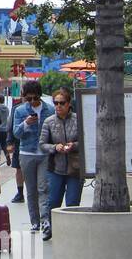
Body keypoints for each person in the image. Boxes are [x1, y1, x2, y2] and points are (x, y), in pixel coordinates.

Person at [39, 89, 82, 240]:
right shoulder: (49, 121)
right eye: (55, 103)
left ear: (69, 104)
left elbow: (86, 140)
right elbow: (42, 144)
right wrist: (54, 147)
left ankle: (71, 232)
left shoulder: (78, 119)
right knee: (53, 201)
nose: (58, 106)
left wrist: (74, 146)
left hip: (75, 168)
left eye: (62, 103)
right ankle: (50, 228)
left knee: (72, 202)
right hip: (55, 167)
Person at [12, 81, 54, 233]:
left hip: (44, 153)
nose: (31, 102)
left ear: (39, 96)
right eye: (28, 99)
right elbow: (16, 133)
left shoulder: (50, 109)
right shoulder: (20, 111)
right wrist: (25, 123)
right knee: (31, 190)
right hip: (26, 153)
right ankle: (34, 221)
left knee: (43, 188)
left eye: (34, 98)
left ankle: (45, 220)